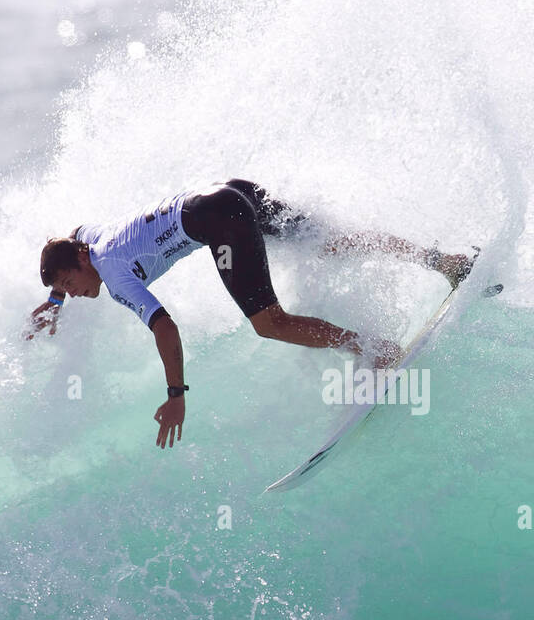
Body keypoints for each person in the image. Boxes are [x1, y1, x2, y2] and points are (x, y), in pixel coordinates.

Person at [29, 178, 475, 449]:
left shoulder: (116, 277)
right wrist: (54, 305)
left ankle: (373, 349)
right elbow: (72, 232)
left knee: (268, 323)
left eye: (70, 284)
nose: (77, 293)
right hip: (229, 192)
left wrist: (177, 394)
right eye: (65, 290)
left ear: (83, 261)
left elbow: (164, 327)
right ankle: (446, 262)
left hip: (222, 221)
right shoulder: (91, 241)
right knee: (328, 244)